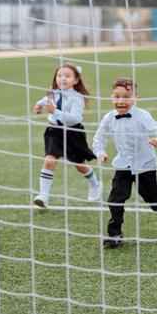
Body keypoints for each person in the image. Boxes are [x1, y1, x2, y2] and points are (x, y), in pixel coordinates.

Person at [92, 78, 157, 249]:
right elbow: (99, 138)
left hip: (145, 164)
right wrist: (100, 152)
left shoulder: (143, 116)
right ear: (112, 97)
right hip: (122, 165)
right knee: (115, 199)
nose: (121, 101)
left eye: (126, 97)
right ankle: (114, 235)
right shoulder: (109, 118)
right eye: (117, 96)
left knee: (151, 199)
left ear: (135, 98)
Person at [32, 63, 100, 209]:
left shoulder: (77, 98)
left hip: (73, 133)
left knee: (80, 165)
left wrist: (54, 111)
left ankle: (95, 184)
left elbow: (75, 118)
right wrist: (38, 105)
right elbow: (46, 101)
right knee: (49, 160)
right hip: (54, 131)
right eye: (59, 75)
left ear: (75, 80)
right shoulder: (53, 93)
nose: (62, 79)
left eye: (67, 76)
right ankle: (43, 196)